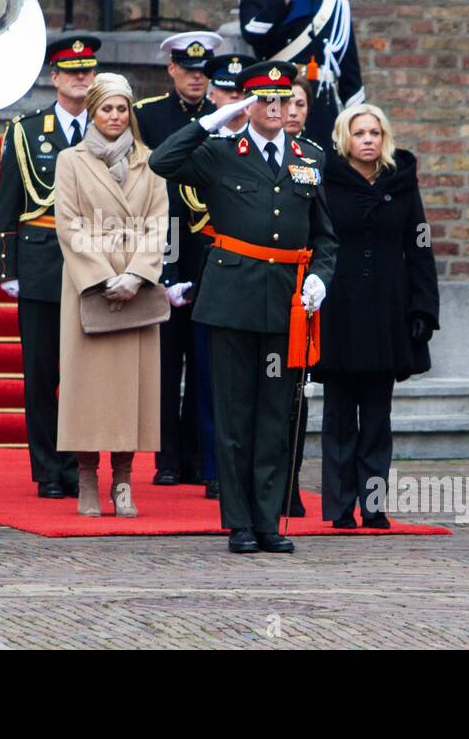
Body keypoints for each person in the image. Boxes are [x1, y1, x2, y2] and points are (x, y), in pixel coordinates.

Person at [150, 60, 338, 554]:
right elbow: (162, 161)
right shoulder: (220, 152)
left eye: (282, 100)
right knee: (234, 415)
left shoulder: (309, 156)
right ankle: (238, 522)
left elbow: (325, 236)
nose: (275, 109)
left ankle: (269, 519)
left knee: (276, 414)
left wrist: (320, 276)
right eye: (264, 100)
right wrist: (212, 120)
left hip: (285, 302)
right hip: (232, 297)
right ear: (249, 104)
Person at [312, 104, 439, 528]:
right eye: (359, 132)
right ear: (344, 138)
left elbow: (418, 246)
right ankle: (339, 506)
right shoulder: (324, 180)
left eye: (375, 132)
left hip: (386, 307)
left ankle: (374, 505)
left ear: (385, 138)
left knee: (378, 416)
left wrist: (423, 307)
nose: (368, 139)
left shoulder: (401, 182)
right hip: (337, 306)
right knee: (339, 414)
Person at [53, 73, 168, 517]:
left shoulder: (150, 161)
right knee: (88, 389)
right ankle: (86, 477)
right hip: (89, 285)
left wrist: (137, 275)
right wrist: (102, 278)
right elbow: (68, 223)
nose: (115, 116)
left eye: (122, 108)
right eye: (107, 108)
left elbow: (160, 224)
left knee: (132, 394)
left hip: (136, 288)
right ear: (93, 111)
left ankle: (123, 480)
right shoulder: (71, 160)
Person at [0, 34, 100, 499]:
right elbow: (10, 202)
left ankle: (81, 465)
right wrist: (8, 267)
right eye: (72, 71)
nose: (81, 78)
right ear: (54, 78)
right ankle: (45, 468)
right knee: (41, 371)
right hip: (41, 261)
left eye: (88, 71)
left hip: (95, 261)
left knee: (87, 371)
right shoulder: (25, 130)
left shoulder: (109, 125)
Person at [168, 52, 257, 500]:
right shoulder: (202, 143)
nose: (236, 101)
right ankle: (211, 467)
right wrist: (170, 270)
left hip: (259, 272)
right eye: (228, 93)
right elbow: (170, 202)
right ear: (216, 95)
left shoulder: (267, 144)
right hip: (204, 268)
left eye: (244, 94)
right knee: (205, 374)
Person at [134, 32, 220, 487]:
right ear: (171, 70)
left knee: (205, 362)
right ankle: (167, 459)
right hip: (164, 242)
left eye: (203, 72)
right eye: (188, 71)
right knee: (166, 363)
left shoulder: (221, 117)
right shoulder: (149, 116)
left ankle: (197, 457)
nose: (196, 79)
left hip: (209, 250)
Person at [239, 0, 364, 163]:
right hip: (273, 94)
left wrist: (355, 120)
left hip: (320, 99)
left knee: (324, 167)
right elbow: (253, 33)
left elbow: (349, 68)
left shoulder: (334, 1)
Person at [282, 68, 325, 515]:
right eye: (286, 102)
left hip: (304, 287)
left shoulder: (315, 158)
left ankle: (291, 481)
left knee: (298, 387)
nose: (292, 111)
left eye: (300, 104)